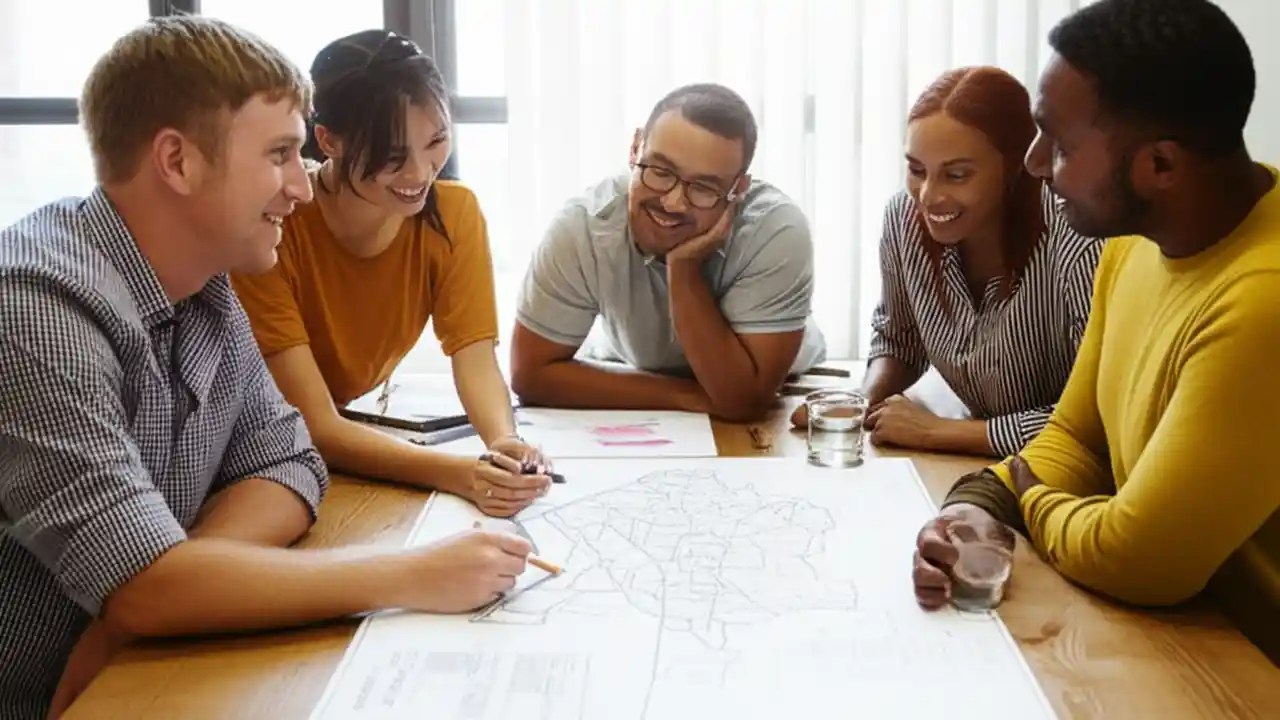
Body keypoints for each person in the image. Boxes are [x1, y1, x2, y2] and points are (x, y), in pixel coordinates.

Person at [0, 19, 531, 719]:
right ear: (177, 162)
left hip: (146, 665)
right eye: (281, 154)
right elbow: (141, 586)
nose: (304, 188)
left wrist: (176, 582)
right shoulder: (35, 306)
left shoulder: (210, 287)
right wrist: (410, 574)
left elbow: (289, 459)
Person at [911, 0, 1280, 662]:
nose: (1033, 163)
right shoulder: (1137, 238)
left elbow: (1138, 559)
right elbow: (1079, 438)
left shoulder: (1263, 300)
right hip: (1186, 633)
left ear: (1160, 166)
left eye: (1059, 143)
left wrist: (1030, 499)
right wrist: (979, 509)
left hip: (1248, 665)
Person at [230, 30, 550, 519]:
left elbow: (474, 357)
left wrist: (503, 442)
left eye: (436, 141)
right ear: (328, 140)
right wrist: (460, 474)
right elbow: (315, 425)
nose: (420, 174)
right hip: (248, 447)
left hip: (331, 449)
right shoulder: (274, 228)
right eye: (393, 155)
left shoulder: (454, 214)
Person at [790, 67, 1102, 458]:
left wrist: (941, 433)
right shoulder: (904, 218)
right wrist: (861, 403)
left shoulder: (1077, 237)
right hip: (974, 463)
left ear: (1014, 166)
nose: (927, 196)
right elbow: (899, 342)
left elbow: (1097, 420)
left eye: (956, 175)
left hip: (1069, 473)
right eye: (916, 170)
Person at [509, 83, 827, 422]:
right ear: (635, 148)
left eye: (703, 188)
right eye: (660, 172)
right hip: (635, 372)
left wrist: (685, 269)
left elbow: (742, 402)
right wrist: (687, 396)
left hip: (787, 382)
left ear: (739, 189)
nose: (673, 203)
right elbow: (530, 375)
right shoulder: (584, 225)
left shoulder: (776, 230)